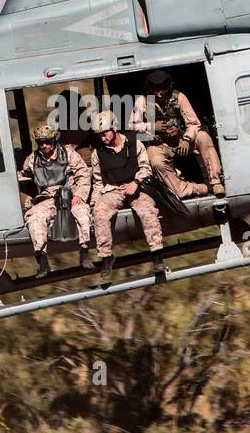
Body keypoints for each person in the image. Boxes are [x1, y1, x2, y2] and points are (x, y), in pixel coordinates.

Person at [88, 110, 164, 279]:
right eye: (99, 135)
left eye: (105, 133)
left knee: (147, 209)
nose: (102, 138)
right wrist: (94, 202)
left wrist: (136, 182)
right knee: (100, 211)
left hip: (136, 186)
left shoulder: (134, 144)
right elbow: (98, 181)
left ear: (114, 129)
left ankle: (157, 255)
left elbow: (145, 168)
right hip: (113, 189)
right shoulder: (97, 154)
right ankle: (106, 256)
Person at [132, 69, 225, 198]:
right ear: (150, 88)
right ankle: (194, 189)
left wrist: (187, 139)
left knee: (203, 137)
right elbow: (132, 126)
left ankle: (216, 182)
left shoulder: (178, 97)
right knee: (156, 161)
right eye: (156, 88)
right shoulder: (143, 101)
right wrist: (152, 126)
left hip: (181, 140)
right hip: (158, 144)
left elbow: (194, 123)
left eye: (163, 87)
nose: (161, 91)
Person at [19, 121, 93, 277]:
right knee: (34, 217)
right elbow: (24, 177)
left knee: (82, 213)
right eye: (40, 143)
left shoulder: (69, 154)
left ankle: (84, 252)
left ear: (53, 139)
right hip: (48, 198)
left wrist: (79, 194)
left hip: (70, 194)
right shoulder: (32, 160)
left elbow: (83, 174)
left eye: (47, 142)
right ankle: (42, 260)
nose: (44, 146)